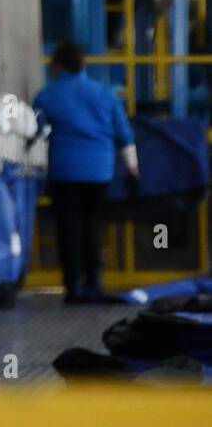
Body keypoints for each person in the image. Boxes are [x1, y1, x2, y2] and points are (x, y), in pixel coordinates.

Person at [31, 41, 138, 304]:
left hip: (64, 171)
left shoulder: (46, 96)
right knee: (92, 224)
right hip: (99, 171)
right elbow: (124, 136)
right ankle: (95, 282)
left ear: (58, 66)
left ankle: (73, 287)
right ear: (83, 65)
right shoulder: (106, 94)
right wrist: (133, 170)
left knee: (68, 227)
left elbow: (34, 134)